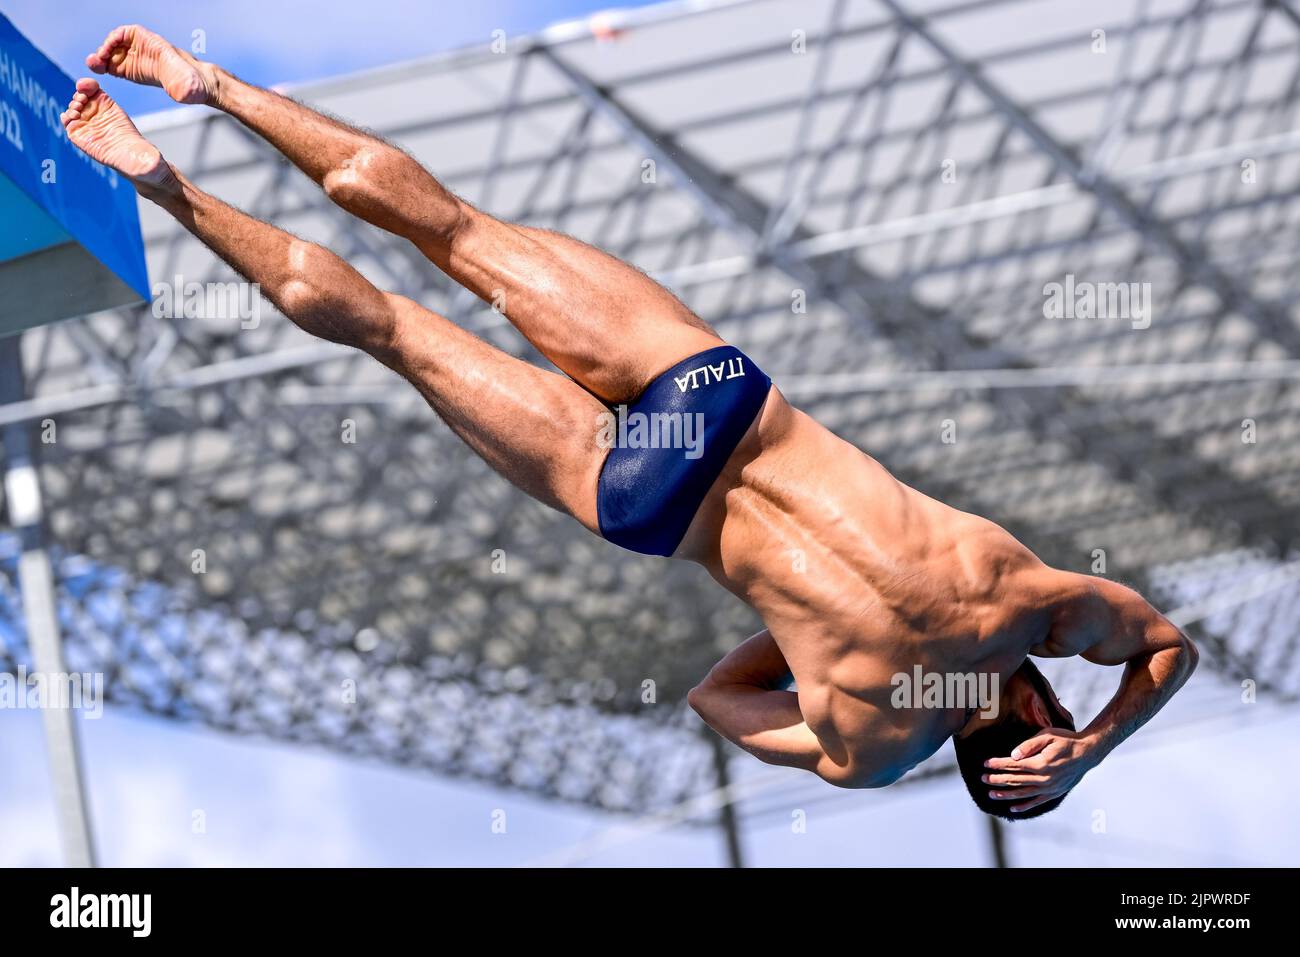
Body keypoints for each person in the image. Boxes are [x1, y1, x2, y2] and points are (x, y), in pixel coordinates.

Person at [62, 25, 1198, 819]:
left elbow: (1166, 650)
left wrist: (1094, 750)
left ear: (1043, 708)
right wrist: (801, 627)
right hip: (650, 498)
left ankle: (205, 83)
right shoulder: (870, 750)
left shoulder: (1029, 600)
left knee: (452, 230)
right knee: (394, 331)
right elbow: (715, 695)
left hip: (725, 408)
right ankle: (160, 181)